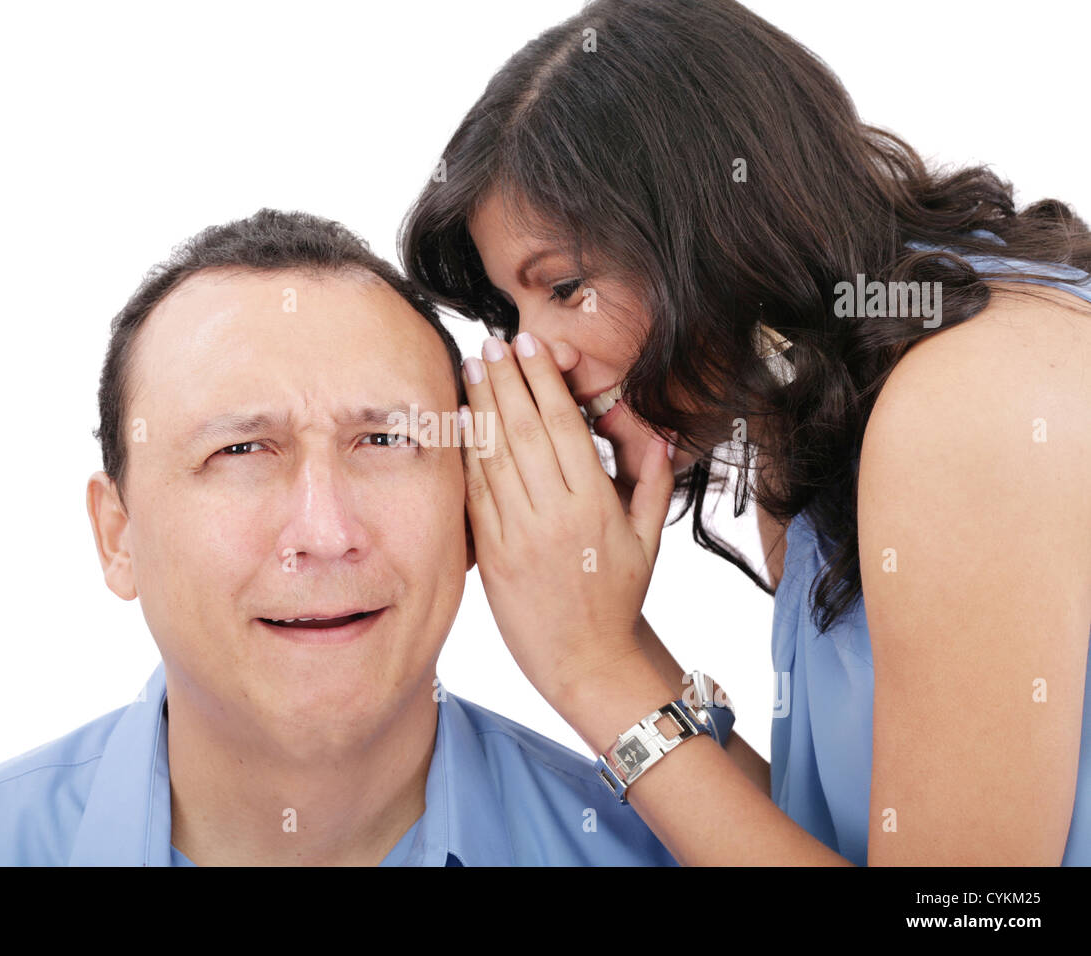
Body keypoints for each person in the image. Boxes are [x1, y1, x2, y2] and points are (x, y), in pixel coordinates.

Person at [399, 0, 1091, 864]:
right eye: (514, 307)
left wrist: (592, 669)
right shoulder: (804, 416)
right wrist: (607, 638)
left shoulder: (964, 408)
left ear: (712, 227)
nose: (543, 355)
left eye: (566, 285)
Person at [0, 209, 691, 866]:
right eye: (240, 451)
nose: (325, 534)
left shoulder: (665, 854)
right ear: (117, 537)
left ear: (475, 504)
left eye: (386, 441)